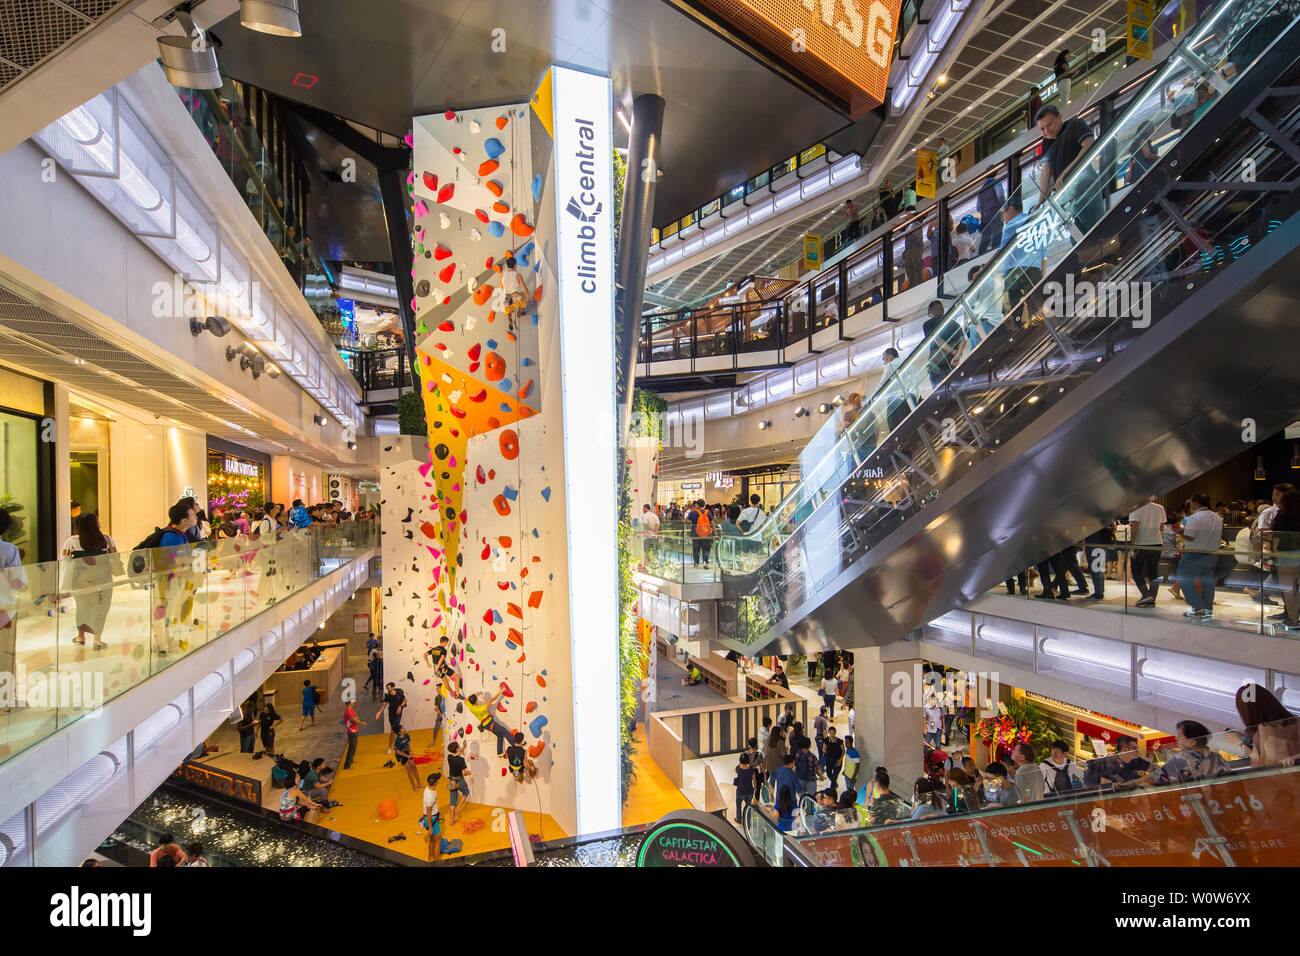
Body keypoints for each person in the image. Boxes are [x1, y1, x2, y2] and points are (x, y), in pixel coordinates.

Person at [1036, 104, 1099, 230]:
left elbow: (1089, 144)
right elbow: (1045, 171)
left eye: (1049, 125)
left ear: (1059, 117)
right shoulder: (1046, 143)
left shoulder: (1075, 125)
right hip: (1066, 194)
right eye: (1042, 129)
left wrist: (1066, 172)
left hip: (1085, 185)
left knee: (1094, 227)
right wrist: (1040, 202)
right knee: (1077, 234)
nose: (1046, 131)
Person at [60, 512, 118, 650]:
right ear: (96, 523)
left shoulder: (71, 541)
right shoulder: (106, 540)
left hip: (80, 580)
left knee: (82, 607)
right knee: (101, 608)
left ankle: (81, 636)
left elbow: (65, 560)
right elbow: (115, 557)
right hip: (103, 578)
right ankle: (97, 639)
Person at [1176, 493, 1224, 619]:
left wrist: (1180, 532)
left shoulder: (1194, 518)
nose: (1189, 503)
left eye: (1191, 501)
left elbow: (1190, 537)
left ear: (1196, 503)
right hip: (1212, 553)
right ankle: (1207, 609)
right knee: (1207, 582)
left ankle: (1198, 606)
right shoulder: (1217, 517)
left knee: (1184, 578)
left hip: (1195, 554)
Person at [1143, 720, 1228, 784]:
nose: (1176, 739)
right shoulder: (1218, 758)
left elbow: (1156, 777)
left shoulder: (1183, 759)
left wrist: (1132, 784)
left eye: (1179, 736)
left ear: (1192, 742)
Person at [1235, 683, 1300, 767]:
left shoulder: (1266, 728)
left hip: (1281, 776)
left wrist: (1239, 743)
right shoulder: (1296, 720)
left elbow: (1267, 763)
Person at [1129, 495, 1168, 607]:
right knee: (1153, 571)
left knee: (1136, 570)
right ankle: (1152, 599)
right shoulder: (1160, 507)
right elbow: (1161, 527)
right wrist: (1159, 539)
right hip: (1156, 543)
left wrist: (1132, 545)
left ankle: (1146, 595)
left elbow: (1135, 527)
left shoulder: (1135, 508)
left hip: (1140, 544)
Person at [1271, 490, 1300, 629]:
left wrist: (1274, 553)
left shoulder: (1283, 516)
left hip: (1287, 554)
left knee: (1288, 589)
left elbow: (1278, 536)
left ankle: (1293, 620)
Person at [1084, 734, 1151, 788]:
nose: (1137, 750)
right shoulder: (1110, 764)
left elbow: (1152, 767)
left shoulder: (1135, 760)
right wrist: (1142, 780)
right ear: (1124, 750)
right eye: (1134, 748)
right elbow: (1122, 785)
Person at [976, 173, 1004, 254]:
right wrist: (1004, 205)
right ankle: (996, 253)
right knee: (997, 233)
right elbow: (1000, 196)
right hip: (995, 212)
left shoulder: (981, 189)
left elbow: (978, 207)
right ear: (997, 173)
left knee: (985, 238)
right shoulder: (996, 182)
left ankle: (980, 255)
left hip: (985, 216)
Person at [376, 682, 407, 753]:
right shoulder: (388, 696)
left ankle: (390, 747)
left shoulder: (399, 692)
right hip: (391, 714)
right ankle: (403, 741)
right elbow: (384, 705)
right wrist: (379, 712)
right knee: (395, 730)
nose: (387, 689)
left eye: (389, 688)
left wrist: (400, 707)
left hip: (398, 714)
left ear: (393, 687)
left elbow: (405, 700)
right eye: (387, 688)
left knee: (393, 730)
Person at [446, 740, 471, 824]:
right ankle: (458, 807)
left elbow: (457, 755)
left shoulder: (449, 757)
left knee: (452, 801)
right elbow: (464, 772)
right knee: (466, 792)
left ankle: (452, 820)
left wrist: (463, 748)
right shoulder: (461, 760)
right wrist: (468, 772)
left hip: (452, 780)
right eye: (459, 746)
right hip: (459, 780)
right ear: (457, 749)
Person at [422, 772, 443, 861]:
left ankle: (430, 858)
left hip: (430, 817)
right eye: (437, 780)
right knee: (438, 840)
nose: (439, 781)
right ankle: (436, 862)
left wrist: (437, 811)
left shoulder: (428, 788)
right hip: (431, 819)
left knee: (432, 840)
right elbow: (429, 813)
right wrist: (430, 828)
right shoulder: (430, 796)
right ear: (435, 783)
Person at [393, 724, 421, 790]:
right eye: (402, 728)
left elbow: (408, 744)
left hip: (406, 752)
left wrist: (410, 751)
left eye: (403, 727)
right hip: (400, 755)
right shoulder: (397, 740)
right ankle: (414, 786)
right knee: (409, 768)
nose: (404, 728)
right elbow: (397, 751)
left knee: (414, 766)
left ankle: (419, 783)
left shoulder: (406, 735)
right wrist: (407, 756)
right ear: (399, 732)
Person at [734, 751, 757, 824]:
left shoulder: (738, 769)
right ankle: (747, 821)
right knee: (748, 806)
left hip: (740, 791)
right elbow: (754, 779)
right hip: (749, 791)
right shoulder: (751, 769)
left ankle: (738, 819)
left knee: (738, 805)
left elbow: (734, 770)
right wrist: (755, 786)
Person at [342, 698, 363, 770]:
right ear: (349, 703)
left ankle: (350, 760)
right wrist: (361, 722)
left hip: (354, 730)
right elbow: (355, 720)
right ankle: (347, 765)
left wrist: (356, 719)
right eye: (352, 701)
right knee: (351, 747)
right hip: (351, 732)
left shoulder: (351, 710)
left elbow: (356, 717)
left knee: (354, 746)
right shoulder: (348, 712)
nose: (353, 701)